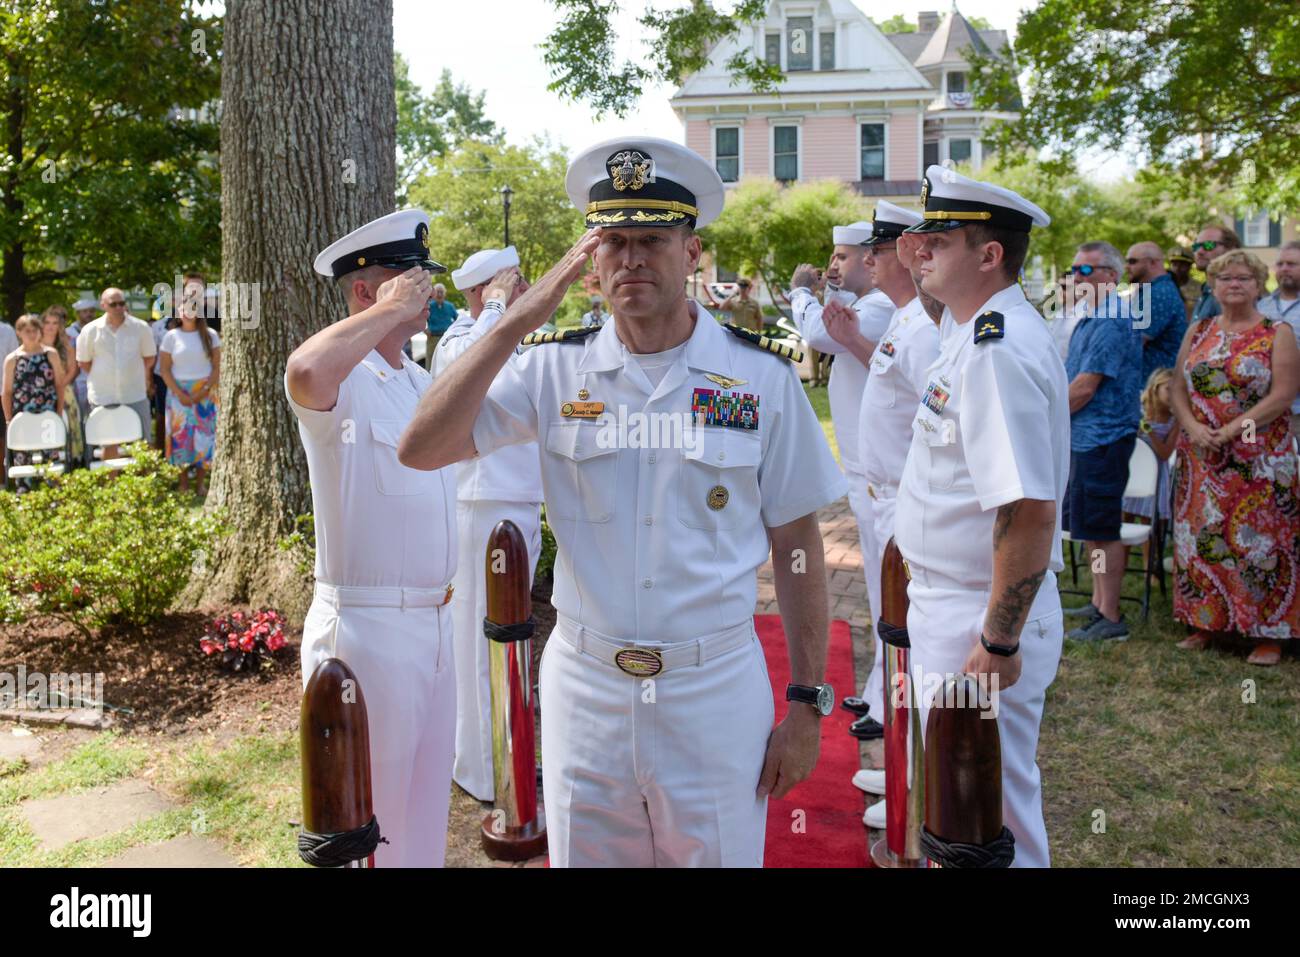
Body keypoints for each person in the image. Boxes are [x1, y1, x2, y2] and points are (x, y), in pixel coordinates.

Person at [399, 137, 847, 868]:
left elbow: (798, 543)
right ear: (591, 260)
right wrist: (510, 323)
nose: (632, 259)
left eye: (653, 240)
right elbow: (420, 444)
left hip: (712, 691)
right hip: (587, 691)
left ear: (692, 251)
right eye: (614, 242)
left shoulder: (759, 379)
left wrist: (806, 700)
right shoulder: (550, 366)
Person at [896, 165, 1066, 868]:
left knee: (992, 819)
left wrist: (996, 641)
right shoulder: (974, 331)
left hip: (978, 612)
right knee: (965, 812)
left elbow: (1026, 506)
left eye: (940, 237)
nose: (920, 246)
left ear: (989, 254)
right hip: (955, 602)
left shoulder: (995, 347)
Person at [285, 208, 459, 867]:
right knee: (365, 832)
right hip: (368, 632)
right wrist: (385, 313)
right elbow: (304, 371)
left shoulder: (417, 381)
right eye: (411, 280)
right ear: (367, 291)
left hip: (436, 625)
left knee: (420, 821)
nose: (427, 291)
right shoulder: (344, 381)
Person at [844, 200, 941, 824]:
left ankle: (917, 785)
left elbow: (938, 426)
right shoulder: (907, 320)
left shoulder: (924, 329)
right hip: (886, 499)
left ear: (905, 253)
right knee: (895, 630)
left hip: (908, 499)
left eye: (877, 251)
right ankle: (907, 774)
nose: (869, 261)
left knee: (913, 638)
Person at [436, 245, 543, 802]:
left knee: (508, 642)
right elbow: (465, 379)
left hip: (518, 503)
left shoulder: (514, 334)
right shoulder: (460, 337)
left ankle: (508, 751)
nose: (524, 289)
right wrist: (497, 312)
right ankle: (477, 767)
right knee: (480, 643)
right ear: (484, 291)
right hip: (481, 507)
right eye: (512, 283)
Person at [789, 223, 895, 741]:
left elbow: (817, 335)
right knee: (879, 587)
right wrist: (825, 290)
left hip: (881, 472)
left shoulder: (877, 308)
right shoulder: (866, 303)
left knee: (888, 587)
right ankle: (880, 686)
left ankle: (890, 696)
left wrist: (799, 293)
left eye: (843, 257)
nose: (835, 265)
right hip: (867, 467)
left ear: (873, 259)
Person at [1169, 249, 1299, 667]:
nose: (1234, 284)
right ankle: (1206, 622)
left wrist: (1230, 430)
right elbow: (1176, 386)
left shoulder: (1277, 331)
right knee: (1202, 539)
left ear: (1260, 285)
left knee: (1261, 544)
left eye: (1244, 278)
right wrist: (1191, 427)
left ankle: (1268, 635)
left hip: (1259, 456)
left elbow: (1283, 396)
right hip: (1201, 456)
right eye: (1225, 278)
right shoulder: (1200, 329)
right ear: (1213, 285)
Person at [1060, 242, 1143, 642]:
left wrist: (1045, 418)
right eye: (1074, 270)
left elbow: (1084, 388)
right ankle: (1097, 602)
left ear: (1111, 276)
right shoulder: (1093, 315)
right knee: (1092, 528)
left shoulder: (1111, 319)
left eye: (1087, 271)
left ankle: (1110, 617)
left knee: (1103, 529)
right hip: (1087, 436)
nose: (1077, 277)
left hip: (1104, 437)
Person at [75, 288, 156, 461]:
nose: (119, 307)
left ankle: (144, 486)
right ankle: (111, 485)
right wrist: (106, 375)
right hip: (104, 395)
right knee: (108, 442)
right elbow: (84, 362)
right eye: (113, 304)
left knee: (142, 444)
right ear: (103, 305)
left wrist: (131, 375)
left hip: (134, 393)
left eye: (122, 303)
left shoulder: (140, 328)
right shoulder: (90, 330)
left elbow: (149, 359)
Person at [1122, 368, 1177, 582]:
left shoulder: (1174, 421)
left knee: (1148, 523)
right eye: (1167, 389)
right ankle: (1120, 566)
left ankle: (1149, 568)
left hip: (1156, 478)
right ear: (1155, 389)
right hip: (1131, 473)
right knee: (1124, 518)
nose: (1172, 395)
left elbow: (1165, 453)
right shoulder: (1140, 411)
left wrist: (1150, 432)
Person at [158, 305, 221, 494]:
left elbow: (217, 367)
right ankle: (183, 484)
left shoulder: (210, 335)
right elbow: (165, 369)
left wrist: (203, 391)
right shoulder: (171, 337)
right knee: (180, 438)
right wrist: (179, 393)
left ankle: (201, 484)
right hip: (179, 393)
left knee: (204, 437)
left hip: (204, 393)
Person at [3, 314, 66, 485]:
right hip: (22, 414)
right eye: (27, 331)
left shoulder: (50, 354)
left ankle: (53, 494)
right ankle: (24, 495)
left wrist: (59, 412)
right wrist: (9, 420)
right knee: (23, 456)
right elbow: (7, 392)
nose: (32, 334)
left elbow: (59, 385)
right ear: (19, 333)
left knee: (50, 456)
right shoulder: (12, 359)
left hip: (47, 412)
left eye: (35, 330)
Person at [1125, 241, 1187, 384]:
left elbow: (1131, 342)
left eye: (1132, 261)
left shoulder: (1158, 293)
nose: (1127, 267)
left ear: (1153, 262)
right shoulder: (1149, 290)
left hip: (1155, 385)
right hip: (1150, 381)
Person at [1258, 240, 1300, 442]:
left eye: (1291, 264)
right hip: (1259, 413)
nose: (1284, 269)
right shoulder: (1259, 307)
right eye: (1280, 264)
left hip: (1297, 411)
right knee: (1256, 465)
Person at [40, 306, 85, 467]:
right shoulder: (36, 345)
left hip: (65, 391)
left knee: (68, 426)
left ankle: (71, 464)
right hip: (42, 393)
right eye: (47, 322)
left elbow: (74, 370)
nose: (51, 326)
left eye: (55, 323)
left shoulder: (67, 345)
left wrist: (60, 385)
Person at [1191, 223, 1240, 322]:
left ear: (1231, 250)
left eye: (1208, 245)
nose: (1199, 251)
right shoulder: (1207, 288)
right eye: (1196, 246)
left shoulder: (1236, 290)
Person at [66, 298, 97, 421]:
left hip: (96, 378)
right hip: (77, 380)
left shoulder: (99, 329)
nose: (88, 314)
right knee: (79, 416)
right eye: (85, 311)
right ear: (78, 314)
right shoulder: (69, 332)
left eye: (91, 311)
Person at [424, 282, 458, 371]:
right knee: (431, 363)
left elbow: (458, 320)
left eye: (441, 292)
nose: (439, 294)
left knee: (448, 362)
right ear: (434, 294)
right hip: (433, 338)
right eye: (437, 292)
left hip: (448, 339)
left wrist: (455, 332)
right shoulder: (429, 306)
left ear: (444, 294)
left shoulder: (450, 306)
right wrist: (425, 329)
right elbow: (421, 318)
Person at [1166, 246, 1199, 319]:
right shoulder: (1162, 287)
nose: (1177, 268)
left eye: (1182, 265)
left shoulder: (1200, 288)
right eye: (1174, 264)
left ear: (1190, 266)